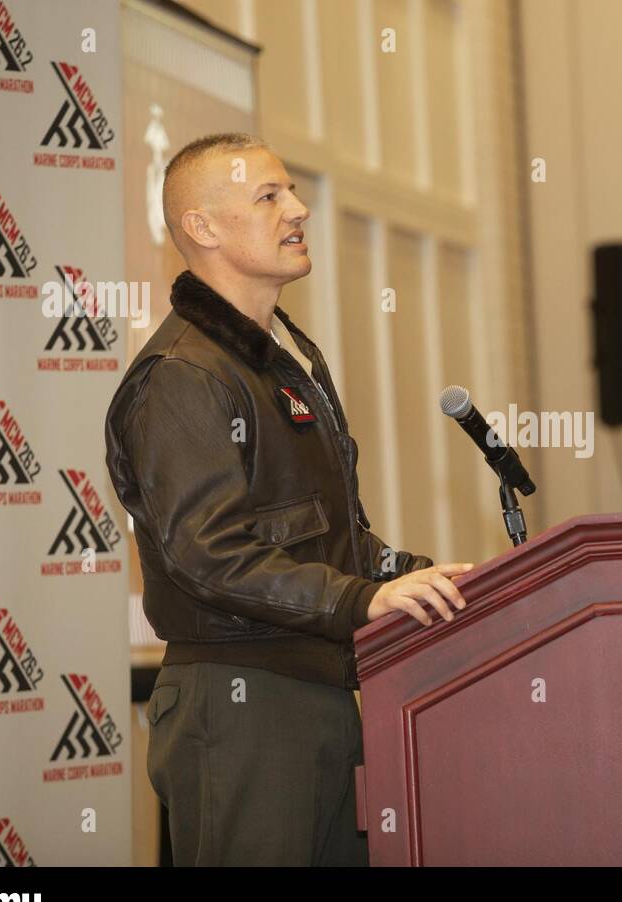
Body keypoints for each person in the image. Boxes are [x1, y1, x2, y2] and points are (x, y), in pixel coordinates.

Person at [104, 132, 472, 865]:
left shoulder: (283, 360)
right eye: (269, 196)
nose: (298, 208)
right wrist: (359, 601)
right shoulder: (184, 375)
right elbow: (209, 556)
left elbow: (330, 536)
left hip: (320, 693)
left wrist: (415, 580)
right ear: (202, 227)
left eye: (292, 192)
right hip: (242, 705)